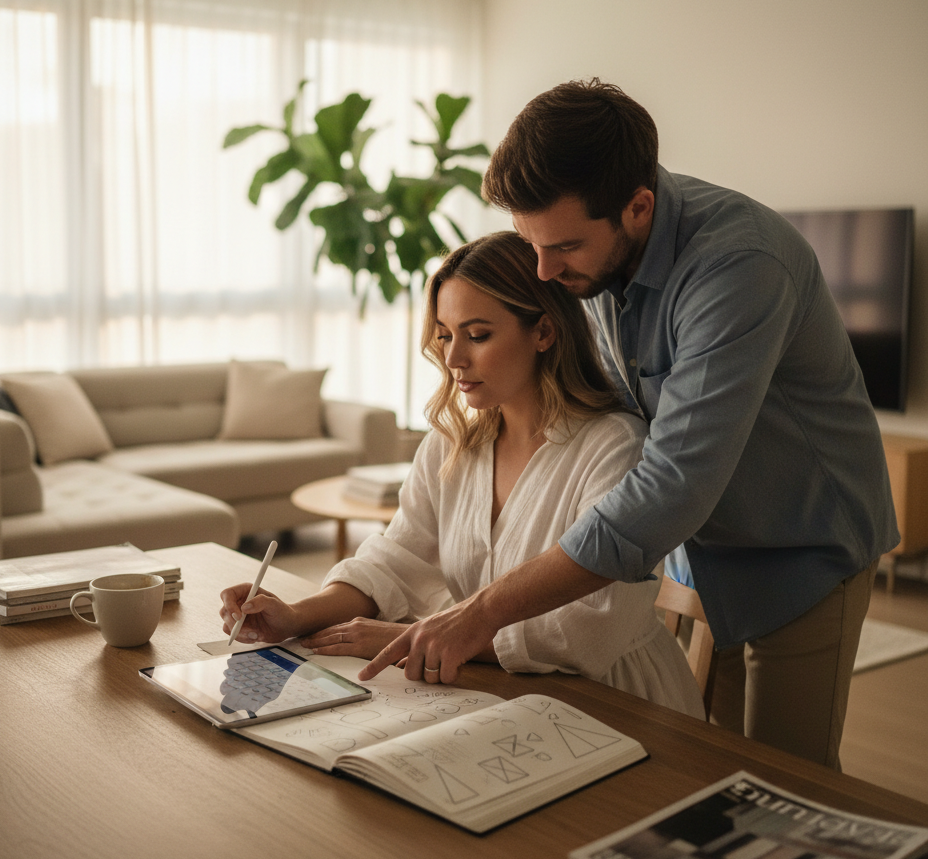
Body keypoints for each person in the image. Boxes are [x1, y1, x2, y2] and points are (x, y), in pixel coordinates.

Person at [362, 79, 898, 770]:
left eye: (563, 246)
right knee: (726, 767)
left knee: (787, 781)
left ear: (638, 207)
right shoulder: (589, 257)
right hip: (707, 548)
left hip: (803, 543)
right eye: (530, 243)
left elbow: (673, 482)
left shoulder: (739, 266)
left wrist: (483, 611)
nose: (544, 270)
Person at [219, 231, 705, 717]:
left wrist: (407, 637)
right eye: (445, 335)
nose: (453, 359)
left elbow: (589, 629)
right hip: (496, 691)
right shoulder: (452, 444)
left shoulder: (615, 446)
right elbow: (395, 561)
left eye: (477, 335)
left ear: (543, 332)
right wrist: (294, 616)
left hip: (614, 700)